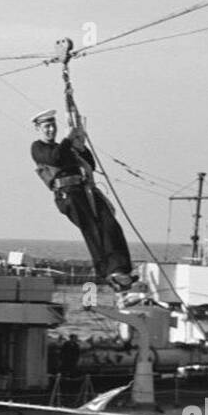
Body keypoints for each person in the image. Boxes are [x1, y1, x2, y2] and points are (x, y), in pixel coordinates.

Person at [30, 110, 132, 290]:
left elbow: (89, 164)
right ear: (38, 128)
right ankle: (107, 273)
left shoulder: (65, 147)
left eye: (53, 125)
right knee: (92, 229)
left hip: (84, 189)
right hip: (67, 194)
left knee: (110, 225)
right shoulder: (38, 148)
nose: (51, 130)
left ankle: (121, 269)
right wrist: (69, 139)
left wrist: (81, 145)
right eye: (46, 126)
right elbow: (55, 157)